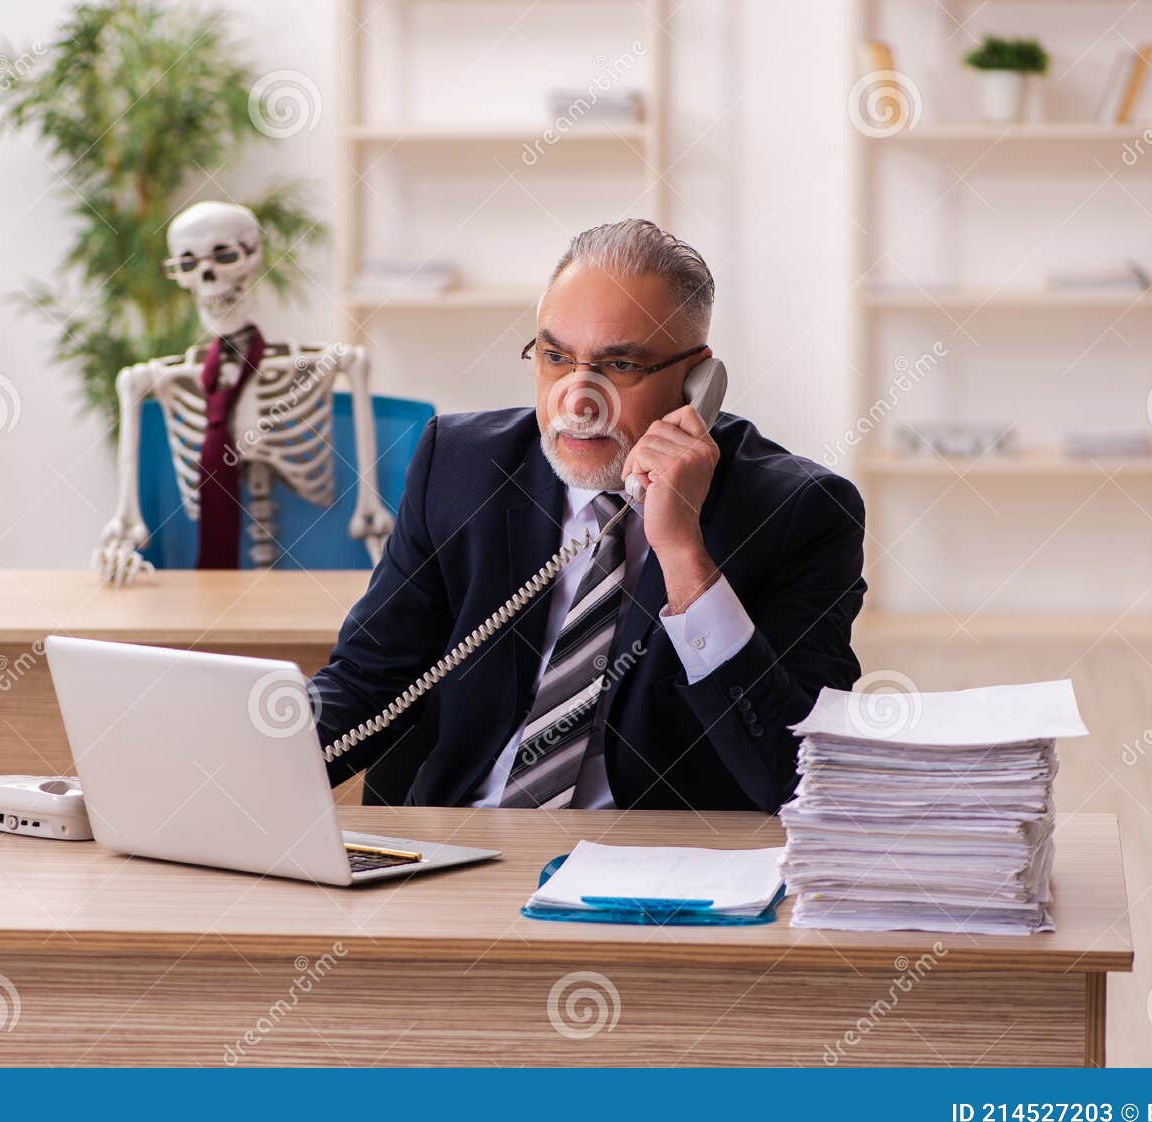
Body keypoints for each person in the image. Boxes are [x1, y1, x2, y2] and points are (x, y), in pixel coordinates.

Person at [311, 219, 865, 811]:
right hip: (457, 845)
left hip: (652, 871)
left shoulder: (802, 512)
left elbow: (796, 777)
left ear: (698, 380)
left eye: (620, 366)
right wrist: (243, 767)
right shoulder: (458, 464)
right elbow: (367, 684)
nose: (576, 400)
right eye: (555, 357)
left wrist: (682, 554)